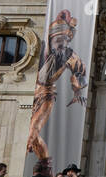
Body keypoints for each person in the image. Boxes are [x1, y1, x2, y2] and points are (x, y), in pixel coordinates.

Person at [25, 11, 88, 165]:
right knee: (34, 137)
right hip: (32, 93)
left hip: (46, 95)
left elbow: (79, 72)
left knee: (32, 131)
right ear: (51, 39)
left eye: (66, 39)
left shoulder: (68, 54)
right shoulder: (43, 49)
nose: (63, 43)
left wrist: (77, 90)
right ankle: (45, 166)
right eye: (60, 39)